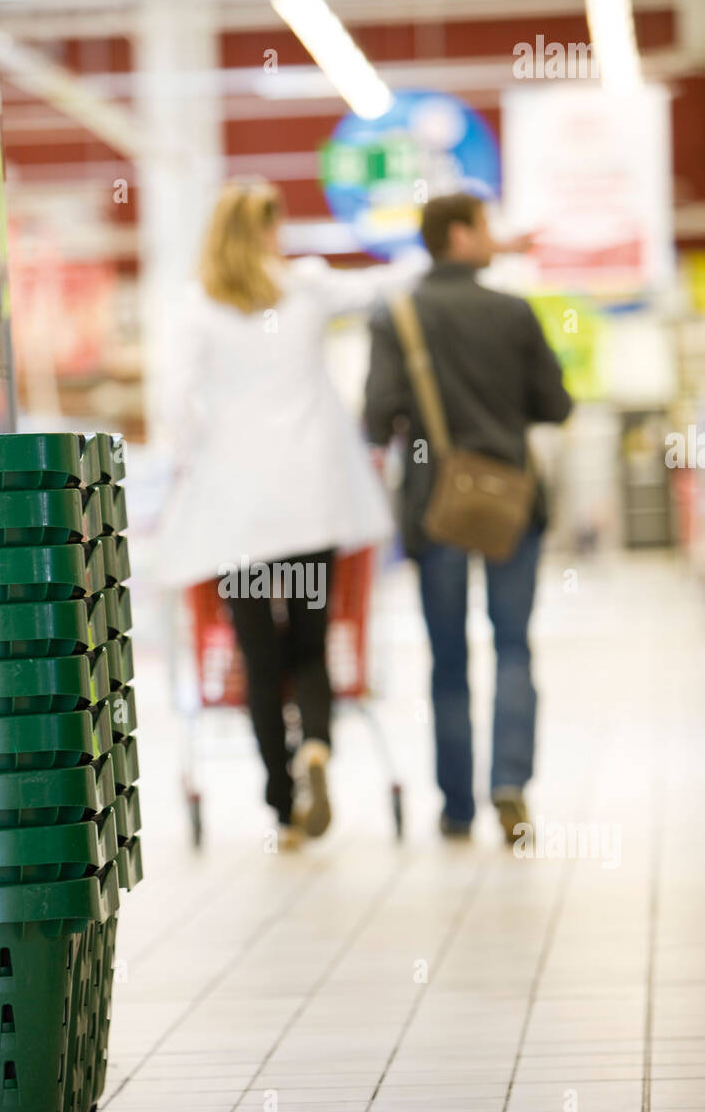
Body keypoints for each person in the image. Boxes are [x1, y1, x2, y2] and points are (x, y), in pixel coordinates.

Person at [156, 179, 419, 847]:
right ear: (267, 232)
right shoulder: (304, 287)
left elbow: (176, 407)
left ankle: (280, 805)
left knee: (258, 655)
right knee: (310, 642)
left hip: (238, 517)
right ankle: (319, 748)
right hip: (310, 502)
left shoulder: (197, 307)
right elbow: (386, 286)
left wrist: (198, 455)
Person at [364, 192, 573, 844]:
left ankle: (456, 807)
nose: (494, 237)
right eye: (486, 226)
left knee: (447, 658)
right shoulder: (514, 312)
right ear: (460, 235)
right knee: (513, 645)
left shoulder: (396, 315)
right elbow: (557, 405)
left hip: (437, 506)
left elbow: (375, 417)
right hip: (512, 502)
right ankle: (509, 782)